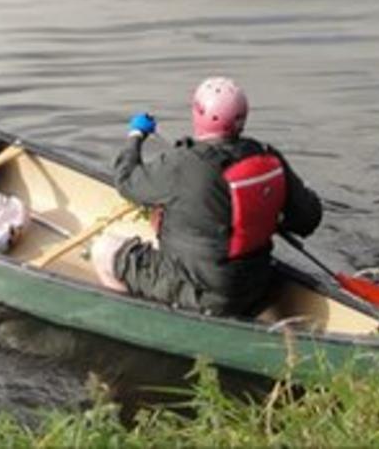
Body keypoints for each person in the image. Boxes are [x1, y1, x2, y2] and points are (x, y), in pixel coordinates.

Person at [91, 76, 323, 317]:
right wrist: (274, 207)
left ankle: (144, 319)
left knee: (104, 249)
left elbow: (127, 181)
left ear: (198, 114)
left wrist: (136, 135)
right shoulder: (268, 158)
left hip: (206, 294)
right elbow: (309, 218)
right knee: (166, 220)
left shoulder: (183, 164)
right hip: (260, 286)